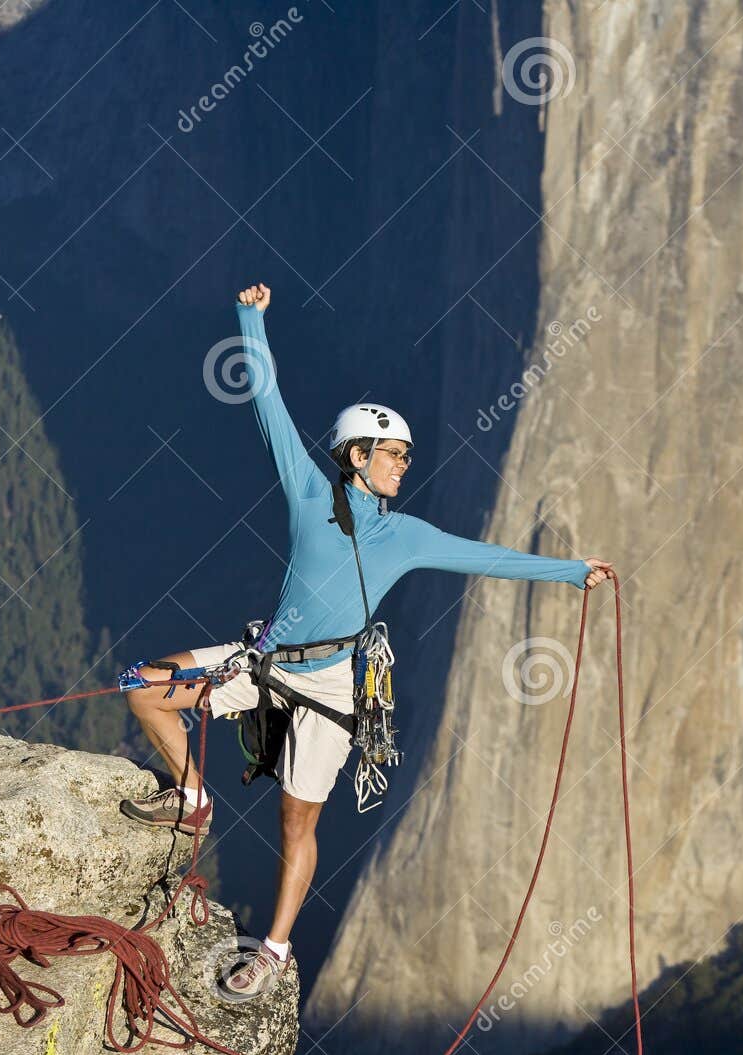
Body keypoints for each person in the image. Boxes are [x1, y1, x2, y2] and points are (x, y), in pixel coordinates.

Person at [121, 282, 615, 1002]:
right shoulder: (309, 493)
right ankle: (193, 798)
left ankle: (274, 950)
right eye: (392, 454)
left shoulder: (406, 536)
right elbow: (268, 405)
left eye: (406, 456)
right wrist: (249, 320)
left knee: (296, 821)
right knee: (144, 687)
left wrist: (571, 572)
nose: (403, 464)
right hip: (265, 660)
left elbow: (487, 557)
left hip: (329, 685)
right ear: (355, 455)